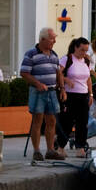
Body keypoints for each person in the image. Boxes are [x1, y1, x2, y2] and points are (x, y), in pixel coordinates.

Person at [21, 27, 65, 162]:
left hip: (51, 91)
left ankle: (50, 150)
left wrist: (62, 88)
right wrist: (37, 84)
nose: (54, 41)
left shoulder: (54, 55)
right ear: (43, 39)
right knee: (37, 120)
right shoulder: (31, 54)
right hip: (38, 92)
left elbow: (58, 73)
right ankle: (36, 151)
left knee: (51, 121)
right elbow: (24, 73)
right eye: (52, 39)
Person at [59, 37, 93, 155]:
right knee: (67, 122)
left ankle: (80, 147)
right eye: (82, 50)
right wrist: (66, 80)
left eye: (86, 50)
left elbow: (88, 78)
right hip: (70, 95)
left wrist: (91, 93)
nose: (84, 53)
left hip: (83, 95)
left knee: (82, 123)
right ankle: (61, 146)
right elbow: (58, 74)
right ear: (76, 48)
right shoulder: (67, 59)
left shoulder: (86, 61)